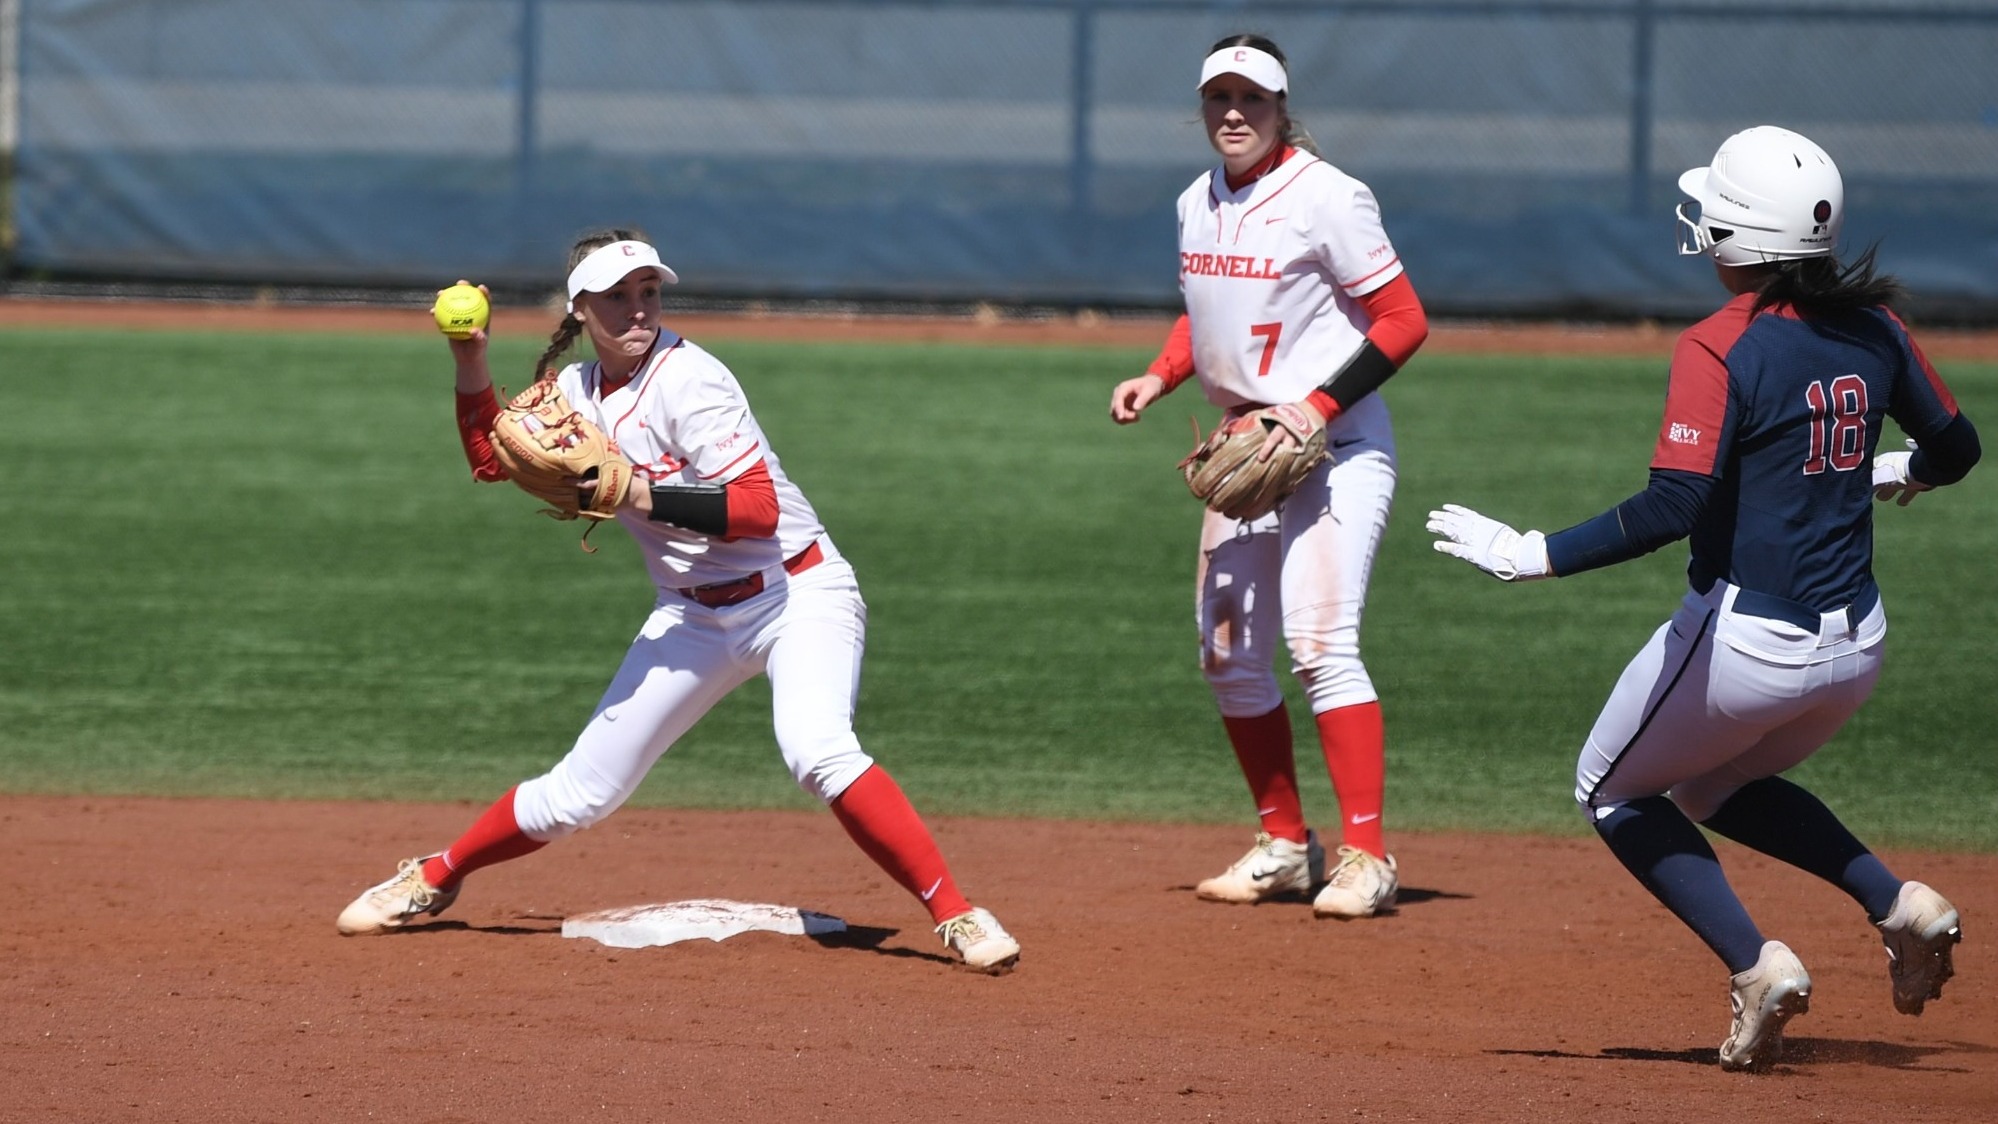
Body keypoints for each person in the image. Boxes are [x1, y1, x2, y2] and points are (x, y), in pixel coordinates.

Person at [1426, 126, 1978, 1070]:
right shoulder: (1876, 325)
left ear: (1734, 238)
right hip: (1858, 648)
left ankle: (1758, 966)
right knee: (1716, 784)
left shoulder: (1721, 343)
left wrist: (1534, 554)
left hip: (1752, 645)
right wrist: (1900, 469)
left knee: (1610, 790)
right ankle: (1898, 904)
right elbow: (1959, 450)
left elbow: (1675, 504)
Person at [336, 229, 1021, 973]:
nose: (638, 310)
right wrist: (471, 361)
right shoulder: (574, 395)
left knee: (817, 750)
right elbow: (489, 461)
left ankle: (956, 915)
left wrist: (637, 489)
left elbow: (757, 510)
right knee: (578, 795)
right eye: (618, 297)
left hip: (797, 591)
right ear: (581, 309)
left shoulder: (693, 380)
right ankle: (435, 875)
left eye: (650, 292)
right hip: (693, 614)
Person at [1108, 34, 1430, 920]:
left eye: (1253, 100)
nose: (1235, 114)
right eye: (1220, 99)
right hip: (1245, 457)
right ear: (1203, 108)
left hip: (1335, 449)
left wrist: (1315, 410)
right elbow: (1205, 314)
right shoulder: (1195, 201)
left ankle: (1367, 855)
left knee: (1323, 647)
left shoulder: (1330, 197)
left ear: (1285, 110)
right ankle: (1286, 845)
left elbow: (1403, 321)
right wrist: (1160, 375)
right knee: (1226, 657)